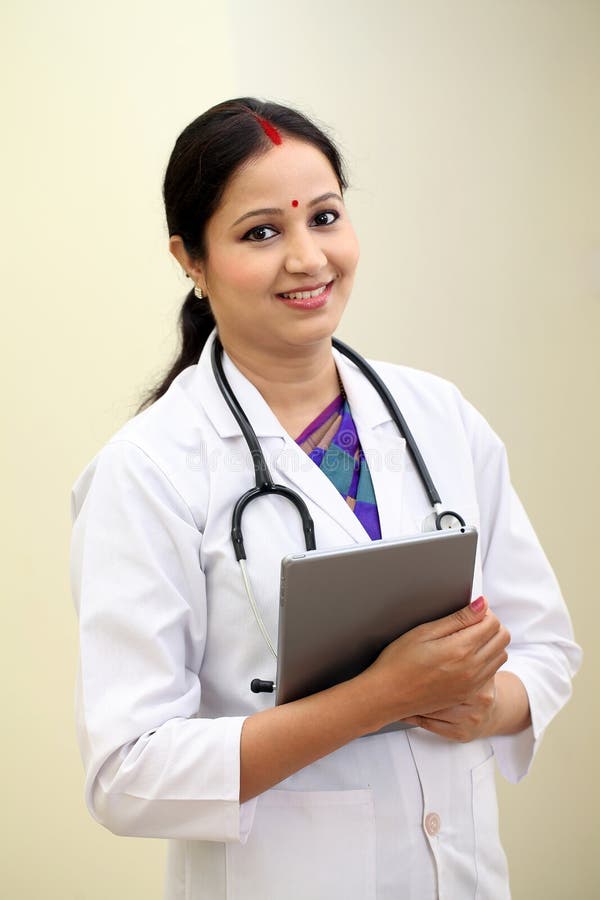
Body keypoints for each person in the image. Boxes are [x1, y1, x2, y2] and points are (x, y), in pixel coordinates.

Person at [70, 98, 581, 900]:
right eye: (261, 232)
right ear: (191, 260)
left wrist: (485, 710)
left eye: (326, 217)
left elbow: (545, 647)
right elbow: (128, 774)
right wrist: (380, 697)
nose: (308, 258)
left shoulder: (439, 417)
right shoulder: (148, 470)